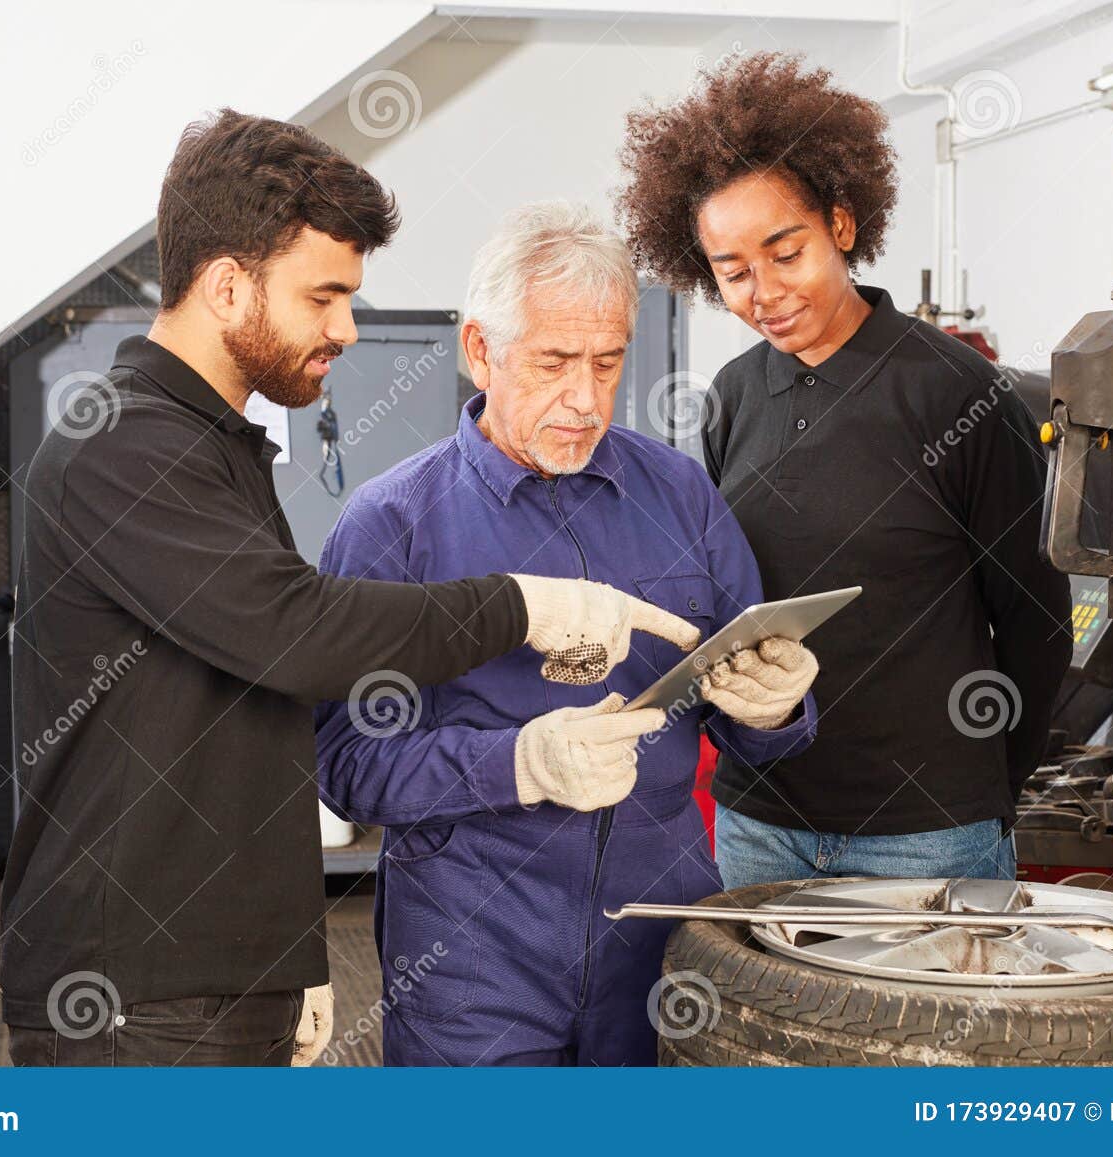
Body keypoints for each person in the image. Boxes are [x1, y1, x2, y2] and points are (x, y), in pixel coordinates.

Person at [0, 113, 699, 1068]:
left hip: (218, 973)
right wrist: (527, 607)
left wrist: (293, 957)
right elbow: (298, 634)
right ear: (227, 284)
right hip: (134, 990)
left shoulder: (218, 447)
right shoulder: (121, 444)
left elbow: (258, 725)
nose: (345, 328)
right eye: (323, 295)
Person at [315, 202, 818, 1066]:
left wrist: (776, 709)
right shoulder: (392, 524)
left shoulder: (681, 497)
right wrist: (521, 762)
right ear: (480, 349)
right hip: (472, 951)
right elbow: (349, 766)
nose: (585, 399)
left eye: (608, 361)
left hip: (661, 933)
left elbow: (748, 717)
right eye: (553, 362)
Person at [616, 53, 1072, 887]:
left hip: (927, 832)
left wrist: (988, 794)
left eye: (785, 252)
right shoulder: (730, 396)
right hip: (761, 819)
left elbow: (1038, 620)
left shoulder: (957, 393)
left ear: (843, 226)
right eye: (734, 271)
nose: (764, 291)